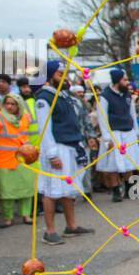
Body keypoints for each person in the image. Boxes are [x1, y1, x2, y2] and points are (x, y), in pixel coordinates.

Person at [34, 61, 93, 246]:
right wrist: (52, 154)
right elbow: (45, 128)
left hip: (70, 146)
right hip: (56, 148)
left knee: (69, 190)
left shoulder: (64, 96)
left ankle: (71, 226)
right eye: (61, 74)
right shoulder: (44, 98)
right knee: (52, 191)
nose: (65, 78)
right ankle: (50, 231)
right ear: (50, 76)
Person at [0, 93, 37, 226]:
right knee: (6, 191)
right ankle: (8, 218)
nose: (9, 106)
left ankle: (26, 215)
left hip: (23, 159)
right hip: (3, 161)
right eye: (7, 103)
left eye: (12, 104)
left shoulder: (26, 117)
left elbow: (30, 137)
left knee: (27, 188)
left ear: (19, 105)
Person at [94, 68, 139, 203]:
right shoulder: (104, 97)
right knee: (113, 164)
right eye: (125, 79)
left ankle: (132, 190)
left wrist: (136, 131)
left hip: (128, 132)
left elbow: (132, 114)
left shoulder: (128, 95)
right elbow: (102, 118)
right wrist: (107, 139)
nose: (127, 82)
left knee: (131, 162)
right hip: (114, 133)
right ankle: (116, 190)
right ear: (117, 81)